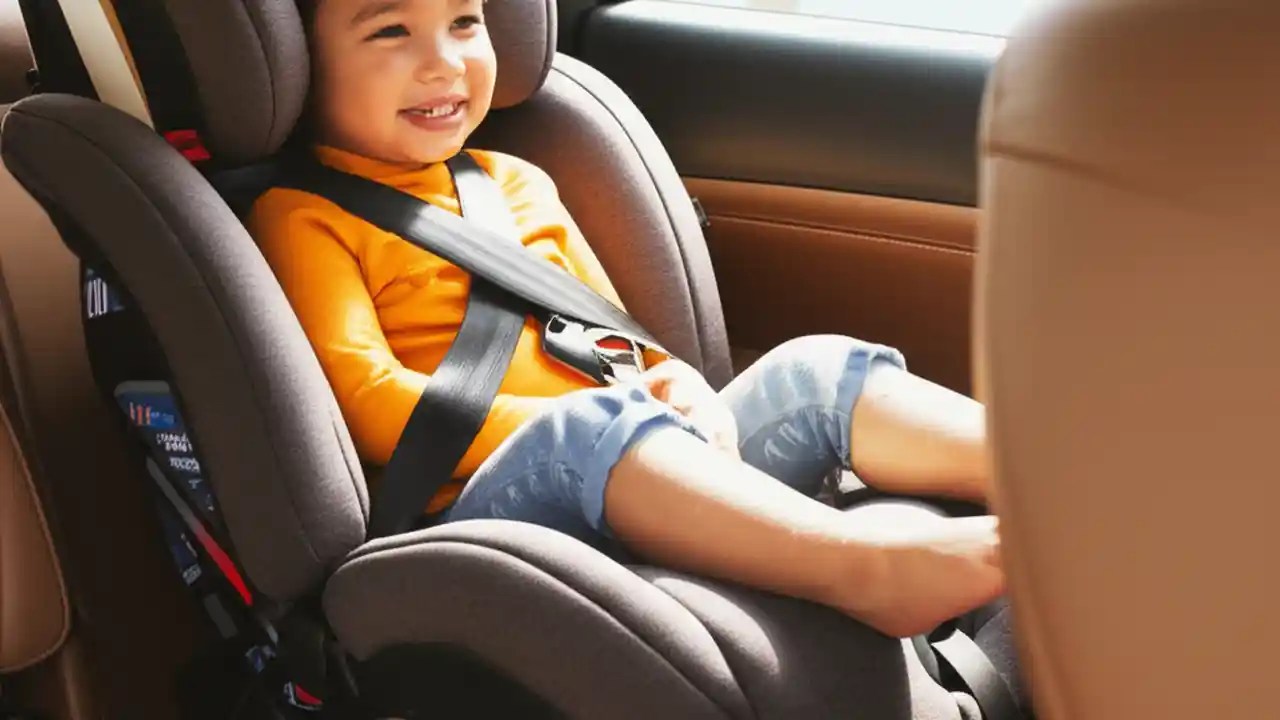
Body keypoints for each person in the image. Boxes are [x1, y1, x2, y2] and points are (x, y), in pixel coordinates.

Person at [248, 0, 1004, 640]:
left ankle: (1041, 483)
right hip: (481, 516)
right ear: (304, 65)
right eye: (391, 31)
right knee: (589, 428)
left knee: (814, 369)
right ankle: (868, 570)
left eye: (466, 23)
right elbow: (371, 401)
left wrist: (675, 384)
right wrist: (598, 416)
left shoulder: (516, 181)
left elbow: (615, 339)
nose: (444, 62)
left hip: (632, 453)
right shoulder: (301, 216)